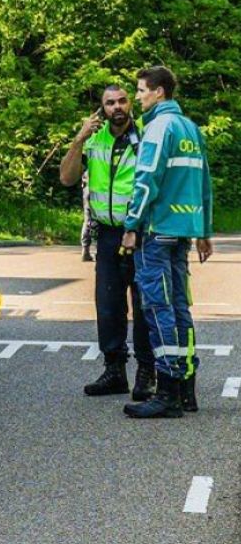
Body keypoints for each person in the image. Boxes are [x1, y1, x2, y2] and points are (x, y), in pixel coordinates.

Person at [121, 65, 214, 419]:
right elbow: (204, 183)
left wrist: (132, 224)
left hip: (157, 230)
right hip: (182, 231)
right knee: (179, 307)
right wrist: (204, 231)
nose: (138, 97)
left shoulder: (158, 127)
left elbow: (146, 178)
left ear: (159, 91)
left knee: (158, 308)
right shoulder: (190, 128)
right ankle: (186, 386)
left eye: (141, 90)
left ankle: (167, 392)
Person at [59, 85, 155, 399]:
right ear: (102, 110)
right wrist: (79, 139)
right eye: (110, 103)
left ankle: (146, 372)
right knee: (109, 305)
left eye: (123, 101)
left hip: (140, 233)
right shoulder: (95, 140)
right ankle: (114, 370)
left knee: (143, 305)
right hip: (109, 233)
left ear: (130, 105)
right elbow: (67, 178)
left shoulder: (146, 137)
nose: (117, 107)